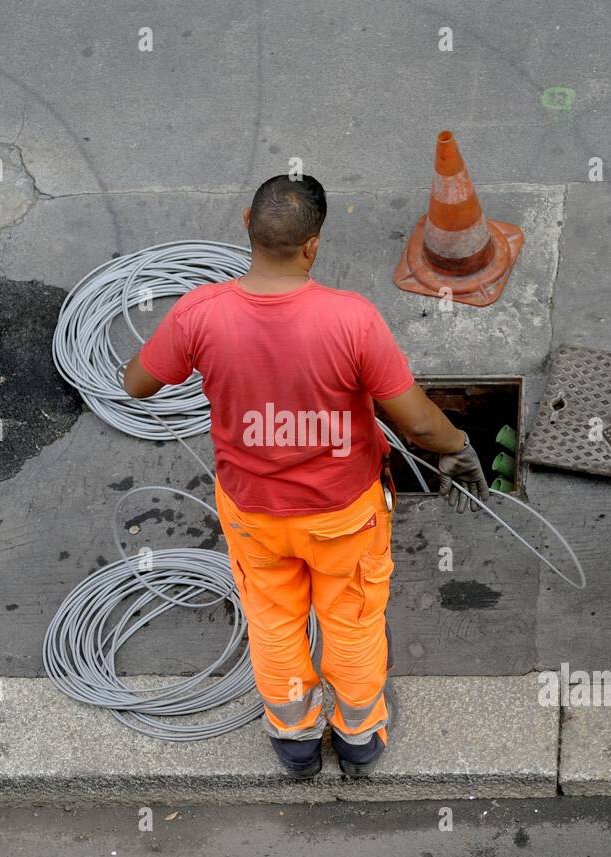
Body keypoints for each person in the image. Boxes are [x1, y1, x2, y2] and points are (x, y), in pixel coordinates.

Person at [123, 174, 488, 777]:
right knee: (352, 620)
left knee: (274, 620)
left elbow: (137, 383)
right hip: (343, 515)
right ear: (313, 246)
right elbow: (418, 423)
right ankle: (358, 736)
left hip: (255, 513)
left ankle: (294, 740)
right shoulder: (351, 320)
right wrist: (457, 446)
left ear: (246, 222)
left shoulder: (199, 314)